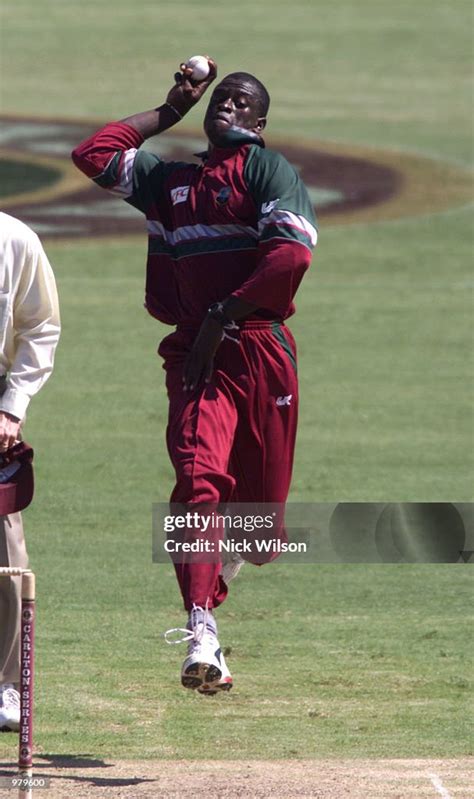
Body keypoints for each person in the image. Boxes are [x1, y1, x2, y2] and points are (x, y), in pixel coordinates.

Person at [71, 57, 317, 694]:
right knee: (198, 480)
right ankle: (200, 627)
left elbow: (290, 257)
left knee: (260, 532)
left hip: (259, 349)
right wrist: (170, 108)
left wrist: (221, 314)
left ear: (259, 123)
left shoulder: (266, 170)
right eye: (220, 98)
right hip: (196, 357)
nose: (226, 103)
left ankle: (217, 579)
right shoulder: (169, 180)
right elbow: (94, 154)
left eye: (241, 100)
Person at [0, 212, 60, 730]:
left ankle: (7, 685)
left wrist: (12, 406)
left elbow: (40, 326)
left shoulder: (15, 239)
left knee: (4, 540)